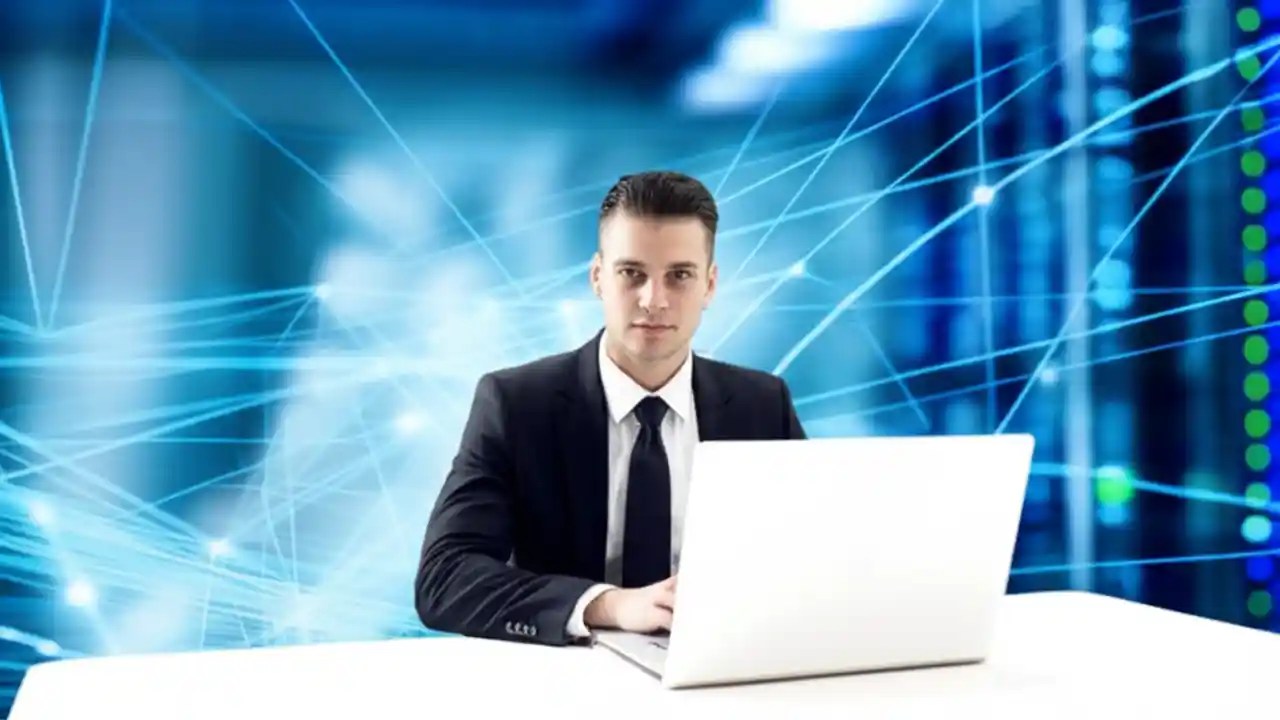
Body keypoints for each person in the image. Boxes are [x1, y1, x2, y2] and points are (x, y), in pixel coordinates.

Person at [413, 170, 806, 647]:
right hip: (568, 673)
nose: (654, 300)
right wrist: (609, 605)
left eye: (679, 276)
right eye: (632, 273)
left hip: (721, 665)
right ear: (598, 277)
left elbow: (815, 559)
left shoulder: (763, 407)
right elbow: (445, 578)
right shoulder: (516, 404)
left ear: (710, 285)